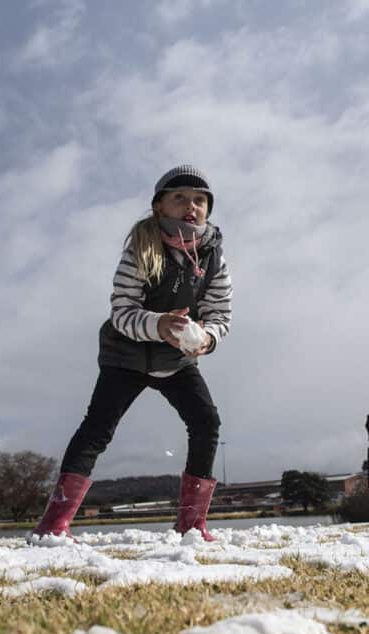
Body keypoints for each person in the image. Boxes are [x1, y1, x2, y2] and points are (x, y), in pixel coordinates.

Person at [30, 165, 232, 543]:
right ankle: (54, 523)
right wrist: (158, 325)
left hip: (176, 361)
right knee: (97, 430)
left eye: (200, 200)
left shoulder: (214, 259)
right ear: (159, 207)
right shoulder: (140, 250)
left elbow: (221, 314)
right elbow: (122, 312)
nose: (191, 206)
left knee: (206, 422)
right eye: (180, 198)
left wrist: (207, 339)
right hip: (127, 356)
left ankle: (192, 522)